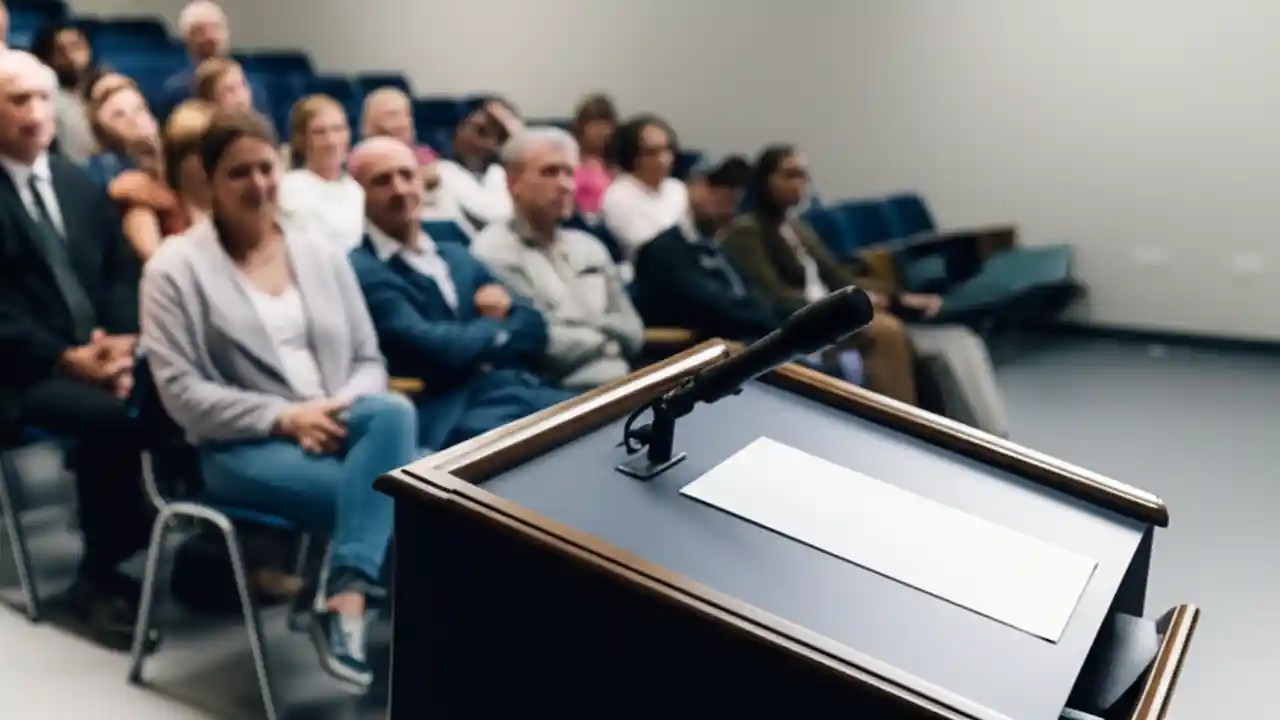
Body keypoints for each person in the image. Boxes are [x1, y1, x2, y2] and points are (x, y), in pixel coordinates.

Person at [140, 110, 418, 688]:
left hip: (343, 425)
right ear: (210, 180)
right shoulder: (174, 269)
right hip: (238, 448)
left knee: (396, 412)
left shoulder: (318, 253)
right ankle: (356, 608)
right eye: (239, 172)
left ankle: (343, 596)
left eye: (267, 168)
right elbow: (182, 396)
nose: (258, 185)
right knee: (411, 507)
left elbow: (370, 361)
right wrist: (286, 416)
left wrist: (333, 409)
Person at [0, 49, 150, 646]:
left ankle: (168, 545)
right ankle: (101, 571)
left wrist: (116, 345)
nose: (37, 113)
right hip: (19, 372)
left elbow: (120, 274)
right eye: (18, 101)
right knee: (113, 418)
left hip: (93, 357)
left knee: (162, 395)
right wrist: (66, 360)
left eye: (42, 98)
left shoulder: (76, 182)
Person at [724, 145, 1009, 435]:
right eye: (790, 175)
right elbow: (774, 295)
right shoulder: (747, 231)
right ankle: (901, 430)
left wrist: (896, 297)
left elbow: (839, 275)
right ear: (765, 180)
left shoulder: (797, 228)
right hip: (807, 322)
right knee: (886, 331)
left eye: (804, 175)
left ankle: (980, 433)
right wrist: (847, 304)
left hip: (838, 310)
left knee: (959, 341)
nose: (800, 184)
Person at [348, 136, 571, 450]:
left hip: (514, 390)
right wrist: (495, 323)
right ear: (359, 194)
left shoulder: (455, 252)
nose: (400, 189)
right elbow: (434, 350)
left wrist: (482, 339)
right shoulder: (364, 268)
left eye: (407, 176)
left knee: (607, 426)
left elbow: (534, 326)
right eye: (382, 181)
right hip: (453, 413)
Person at [473, 127, 644, 391]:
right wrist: (607, 340)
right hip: (554, 395)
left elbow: (634, 330)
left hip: (622, 384)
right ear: (512, 182)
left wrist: (590, 329)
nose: (565, 185)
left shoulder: (590, 247)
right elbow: (542, 343)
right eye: (550, 172)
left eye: (569, 173)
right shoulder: (493, 250)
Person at [631, 155, 779, 341]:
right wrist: (766, 320)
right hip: (698, 356)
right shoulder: (663, 252)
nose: (727, 195)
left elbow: (758, 298)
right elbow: (712, 307)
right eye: (715, 185)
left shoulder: (720, 252)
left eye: (734, 189)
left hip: (747, 347)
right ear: (692, 186)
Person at [112, 99, 215, 263]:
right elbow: (157, 265)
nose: (208, 162)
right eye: (196, 152)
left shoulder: (231, 198)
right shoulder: (145, 202)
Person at [156, 1, 268, 121]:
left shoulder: (251, 85)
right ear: (187, 39)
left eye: (216, 28)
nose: (210, 37)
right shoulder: (177, 91)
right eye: (200, 31)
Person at [279, 94, 363, 252]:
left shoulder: (356, 191)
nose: (331, 141)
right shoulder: (288, 188)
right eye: (319, 132)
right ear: (302, 139)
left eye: (338, 129)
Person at [600, 114, 688, 260]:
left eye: (667, 150)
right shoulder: (618, 196)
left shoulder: (677, 189)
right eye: (652, 153)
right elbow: (645, 248)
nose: (663, 160)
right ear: (632, 157)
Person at [434, 97, 520, 233]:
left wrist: (516, 133)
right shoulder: (441, 171)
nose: (489, 141)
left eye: (499, 135)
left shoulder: (499, 175)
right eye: (480, 131)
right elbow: (493, 216)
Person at [30, 22, 97, 165]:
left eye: (76, 46)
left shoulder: (108, 86)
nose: (71, 56)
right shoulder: (50, 101)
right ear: (48, 59)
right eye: (61, 51)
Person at [84, 76, 160, 186]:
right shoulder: (103, 171)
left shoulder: (174, 155)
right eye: (119, 115)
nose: (134, 120)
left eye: (139, 109)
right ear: (101, 130)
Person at [570, 93, 617, 217]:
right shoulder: (569, 159)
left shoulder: (621, 162)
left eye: (606, 124)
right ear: (581, 127)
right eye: (594, 124)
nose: (601, 131)